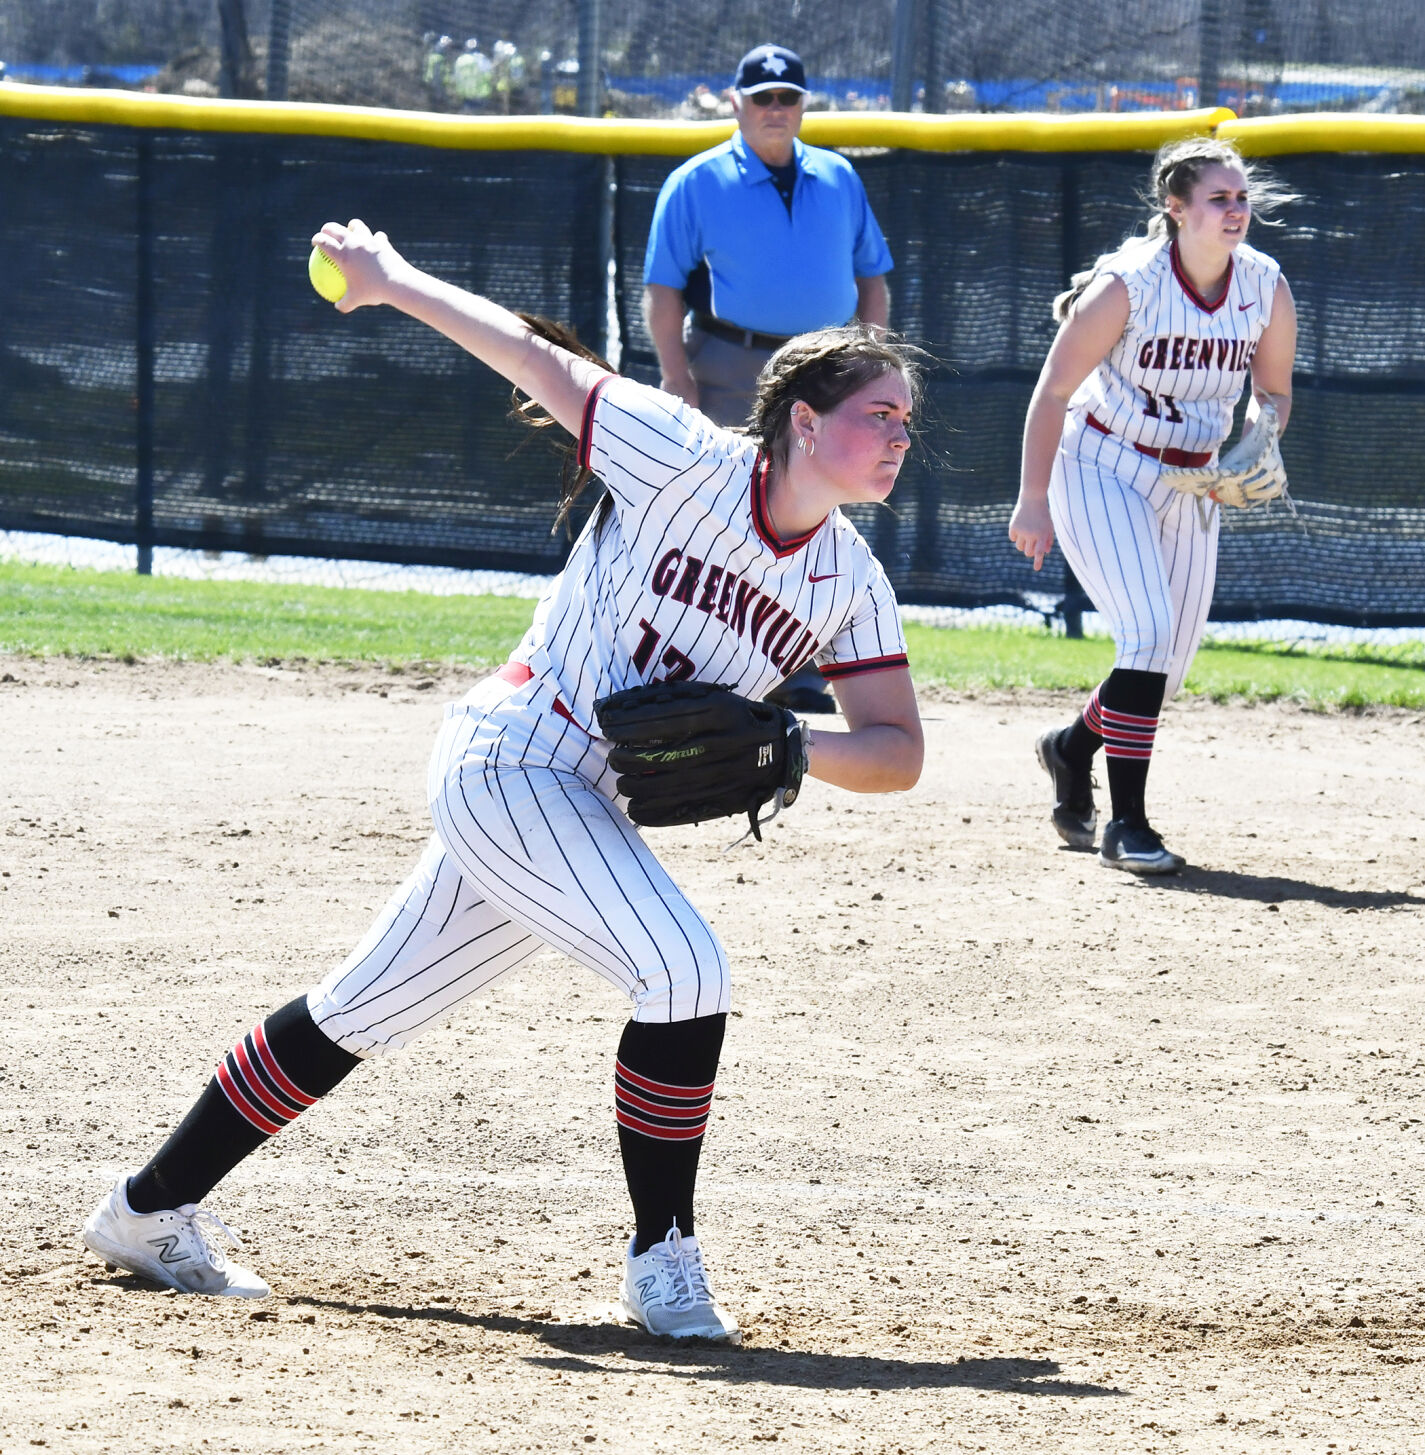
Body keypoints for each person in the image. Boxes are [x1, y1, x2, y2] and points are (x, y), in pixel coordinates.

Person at [80, 218, 925, 1343]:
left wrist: (794, 748)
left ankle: (146, 1210)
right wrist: (391, 280)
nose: (900, 437)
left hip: (589, 807)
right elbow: (538, 363)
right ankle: (661, 1259)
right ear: (805, 422)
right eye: (881, 414)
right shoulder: (680, 456)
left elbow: (898, 748)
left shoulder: (847, 579)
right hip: (517, 756)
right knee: (684, 967)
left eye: (908, 421)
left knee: (355, 1012)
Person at [1008, 137, 1297, 874]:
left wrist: (1257, 439)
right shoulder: (1128, 284)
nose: (1235, 211)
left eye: (1240, 198)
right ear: (1175, 209)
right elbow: (1051, 392)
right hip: (1104, 462)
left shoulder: (1263, 284)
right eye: (1217, 199)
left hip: (1194, 481)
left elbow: (1272, 391)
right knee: (1145, 634)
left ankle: (1069, 747)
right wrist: (1032, 498)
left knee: (1163, 665)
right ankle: (1127, 825)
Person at [642, 42, 894, 714]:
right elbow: (662, 291)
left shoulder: (838, 177)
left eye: (787, 97)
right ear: (736, 104)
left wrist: (870, 365)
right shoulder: (697, 181)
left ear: (803, 105)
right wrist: (676, 376)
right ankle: (717, 655)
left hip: (826, 370)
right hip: (733, 361)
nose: (775, 109)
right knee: (730, 504)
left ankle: (803, 663)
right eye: (762, 98)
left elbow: (872, 279)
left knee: (816, 507)